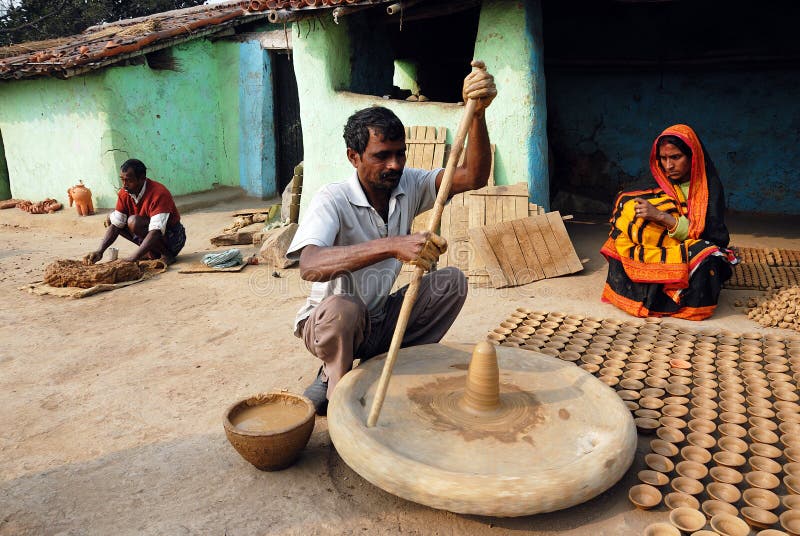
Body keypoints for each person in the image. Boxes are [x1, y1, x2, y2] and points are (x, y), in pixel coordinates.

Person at [287, 61, 497, 415]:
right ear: (353, 157)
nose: (395, 165)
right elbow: (309, 265)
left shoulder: (408, 183)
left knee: (451, 283)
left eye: (400, 154)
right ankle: (334, 379)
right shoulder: (333, 198)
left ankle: (384, 364)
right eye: (381, 156)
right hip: (328, 322)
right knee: (344, 309)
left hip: (379, 318)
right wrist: (392, 245)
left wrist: (476, 114)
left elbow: (473, 176)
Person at [600, 124, 735, 320]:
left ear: (692, 157)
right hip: (654, 248)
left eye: (676, 157)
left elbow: (712, 236)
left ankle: (672, 297)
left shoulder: (709, 188)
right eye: (663, 158)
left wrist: (662, 217)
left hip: (689, 247)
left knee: (708, 259)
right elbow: (625, 206)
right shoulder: (651, 182)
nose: (668, 166)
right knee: (619, 242)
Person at [84, 159, 186, 265]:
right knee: (113, 219)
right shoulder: (124, 193)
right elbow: (116, 225)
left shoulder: (159, 193)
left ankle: (167, 255)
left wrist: (134, 257)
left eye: (129, 180)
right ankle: (152, 253)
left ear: (142, 179)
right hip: (154, 235)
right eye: (122, 180)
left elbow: (156, 231)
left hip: (173, 238)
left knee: (134, 222)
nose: (124, 185)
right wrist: (100, 251)